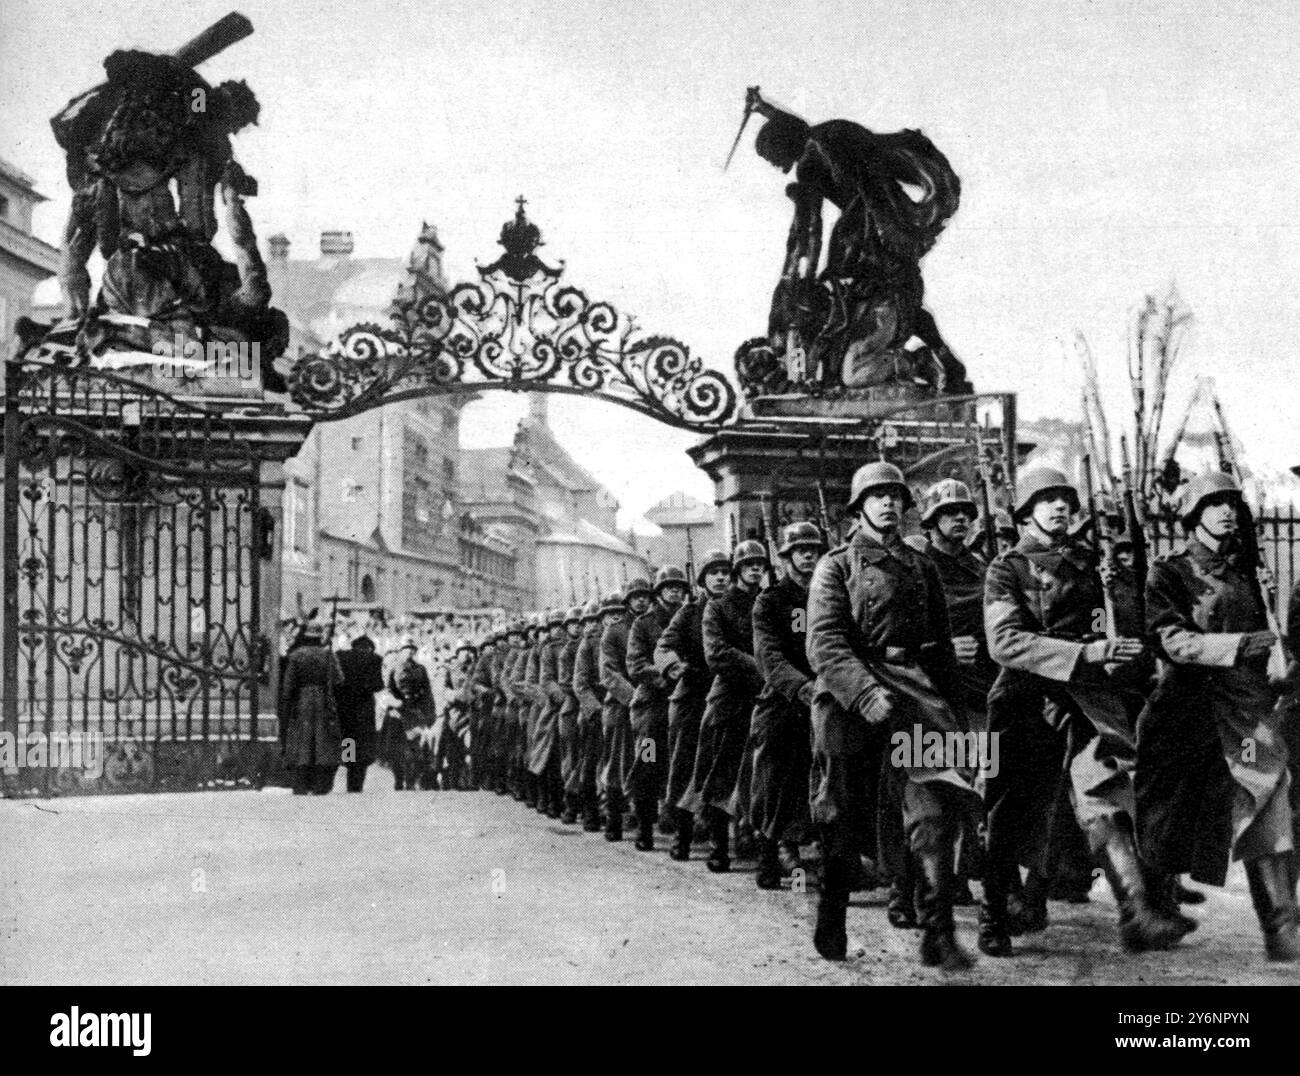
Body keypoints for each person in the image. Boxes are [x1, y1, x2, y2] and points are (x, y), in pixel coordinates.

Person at [981, 466, 1187, 958]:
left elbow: (1119, 631)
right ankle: (995, 912)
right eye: (1046, 501)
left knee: (1104, 794)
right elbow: (1006, 643)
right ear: (1026, 512)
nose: (1058, 509)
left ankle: (1137, 909)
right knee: (1012, 811)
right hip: (1026, 697)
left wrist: (1121, 594)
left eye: (1064, 501)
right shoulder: (1006, 569)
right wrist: (1086, 654)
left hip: (1087, 699)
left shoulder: (1092, 565)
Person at [806, 461, 981, 970]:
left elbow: (942, 646)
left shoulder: (922, 566)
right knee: (843, 812)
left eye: (895, 497)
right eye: (876, 497)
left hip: (916, 692)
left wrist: (952, 713)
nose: (887, 504)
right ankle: (832, 910)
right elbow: (826, 642)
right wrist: (864, 693)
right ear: (858, 508)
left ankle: (937, 931)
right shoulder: (836, 566)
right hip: (849, 696)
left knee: (934, 805)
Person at [1136, 471, 1298, 961]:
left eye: (1232, 503)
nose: (1227, 511)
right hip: (1185, 710)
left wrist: (1277, 660)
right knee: (1168, 813)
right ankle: (1155, 912)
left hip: (1244, 712)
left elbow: (1271, 637)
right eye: (1214, 504)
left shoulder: (1249, 569)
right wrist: (1242, 645)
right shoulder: (1169, 572)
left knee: (1266, 794)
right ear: (1193, 515)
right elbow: (1174, 642)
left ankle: (1281, 929)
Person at [915, 479, 994, 905]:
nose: (960, 518)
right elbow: (896, 630)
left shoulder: (982, 569)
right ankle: (912, 888)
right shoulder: (914, 565)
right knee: (931, 792)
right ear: (932, 521)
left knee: (977, 787)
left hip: (977, 693)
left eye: (965, 511)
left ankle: (963, 875)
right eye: (950, 513)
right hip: (928, 693)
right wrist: (940, 648)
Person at [682, 540, 768, 873]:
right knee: (722, 774)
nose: (755, 570)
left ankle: (751, 835)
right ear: (738, 570)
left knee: (759, 774)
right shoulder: (717, 607)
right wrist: (761, 665)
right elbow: (716, 654)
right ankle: (719, 845)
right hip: (730, 699)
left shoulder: (766, 601)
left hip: (763, 698)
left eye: (760, 565)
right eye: (748, 565)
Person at [749, 522, 826, 888]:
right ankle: (767, 853)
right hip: (783, 700)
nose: (808, 556)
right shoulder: (770, 601)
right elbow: (769, 656)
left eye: (814, 550)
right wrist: (800, 688)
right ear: (786, 558)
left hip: (825, 697)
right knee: (773, 776)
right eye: (801, 550)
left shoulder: (830, 595)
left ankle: (816, 853)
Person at [657, 549, 732, 859]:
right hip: (691, 698)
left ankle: (719, 841)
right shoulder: (688, 613)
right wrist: (677, 668)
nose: (720, 577)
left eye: (725, 572)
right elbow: (664, 647)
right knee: (684, 767)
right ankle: (682, 834)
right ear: (702, 580)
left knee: (720, 768)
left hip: (725, 696)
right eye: (713, 573)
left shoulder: (738, 608)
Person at [626, 566, 689, 851]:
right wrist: (666, 674)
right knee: (648, 762)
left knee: (682, 763)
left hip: (686, 699)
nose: (675, 591)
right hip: (653, 704)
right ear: (659, 592)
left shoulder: (689, 618)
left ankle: (677, 822)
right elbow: (636, 665)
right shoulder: (643, 624)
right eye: (669, 587)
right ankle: (644, 825)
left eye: (679, 587)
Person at [279, 621, 345, 795]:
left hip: (301, 702)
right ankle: (321, 784)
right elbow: (339, 680)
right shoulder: (328, 655)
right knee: (323, 742)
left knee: (302, 741)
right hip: (323, 701)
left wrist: (288, 704)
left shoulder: (296, 655)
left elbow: (288, 686)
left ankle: (300, 783)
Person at [598, 591, 637, 841]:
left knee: (647, 758)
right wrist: (634, 696)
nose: (641, 601)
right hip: (619, 710)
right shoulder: (613, 633)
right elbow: (608, 673)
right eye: (636, 597)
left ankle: (642, 816)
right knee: (616, 764)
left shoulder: (648, 626)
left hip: (646, 714)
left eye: (646, 596)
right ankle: (613, 818)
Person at [571, 600, 607, 832]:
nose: (593, 626)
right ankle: (590, 810)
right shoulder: (585, 646)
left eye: (596, 620)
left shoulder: (611, 639)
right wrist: (596, 709)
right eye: (588, 622)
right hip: (594, 713)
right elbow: (580, 685)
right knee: (591, 762)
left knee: (645, 756)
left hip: (620, 707)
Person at [334, 634, 384, 793]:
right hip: (364, 709)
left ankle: (348, 766)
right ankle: (355, 785)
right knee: (362, 747)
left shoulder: (341, 656)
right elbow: (378, 685)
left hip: (346, 708)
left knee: (348, 740)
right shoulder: (375, 659)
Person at [386, 635, 436, 791]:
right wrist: (394, 702)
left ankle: (411, 780)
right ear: (401, 651)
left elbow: (427, 692)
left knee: (415, 748)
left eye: (412, 649)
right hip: (397, 713)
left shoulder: (421, 669)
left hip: (415, 711)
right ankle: (398, 779)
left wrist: (429, 713)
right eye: (406, 649)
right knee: (395, 750)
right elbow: (387, 690)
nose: (409, 652)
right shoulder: (393, 667)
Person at [530, 611, 567, 818]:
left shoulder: (578, 646)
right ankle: (550, 798)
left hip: (586, 704)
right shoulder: (547, 651)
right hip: (554, 707)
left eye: (563, 625)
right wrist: (559, 696)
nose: (559, 630)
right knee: (549, 754)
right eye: (554, 627)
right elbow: (544, 680)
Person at [555, 607, 585, 824]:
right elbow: (565, 683)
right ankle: (572, 803)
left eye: (580, 623)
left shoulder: (595, 644)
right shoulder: (565, 651)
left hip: (596, 708)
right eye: (573, 624)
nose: (578, 627)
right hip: (571, 710)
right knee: (572, 758)